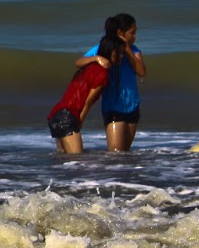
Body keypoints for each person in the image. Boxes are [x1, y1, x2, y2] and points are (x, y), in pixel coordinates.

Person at [75, 13, 146, 151]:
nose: (135, 36)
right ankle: (108, 173)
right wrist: (97, 59)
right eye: (132, 33)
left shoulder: (135, 51)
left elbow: (141, 72)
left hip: (133, 107)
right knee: (115, 154)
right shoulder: (103, 48)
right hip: (113, 108)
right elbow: (79, 62)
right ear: (120, 32)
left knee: (124, 154)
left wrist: (127, 50)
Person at [49, 36, 121, 153]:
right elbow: (87, 102)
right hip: (68, 117)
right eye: (120, 53)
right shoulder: (102, 74)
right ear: (112, 51)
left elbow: (78, 62)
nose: (121, 56)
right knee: (77, 161)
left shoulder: (89, 66)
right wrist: (78, 123)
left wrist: (96, 58)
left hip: (57, 115)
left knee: (63, 162)